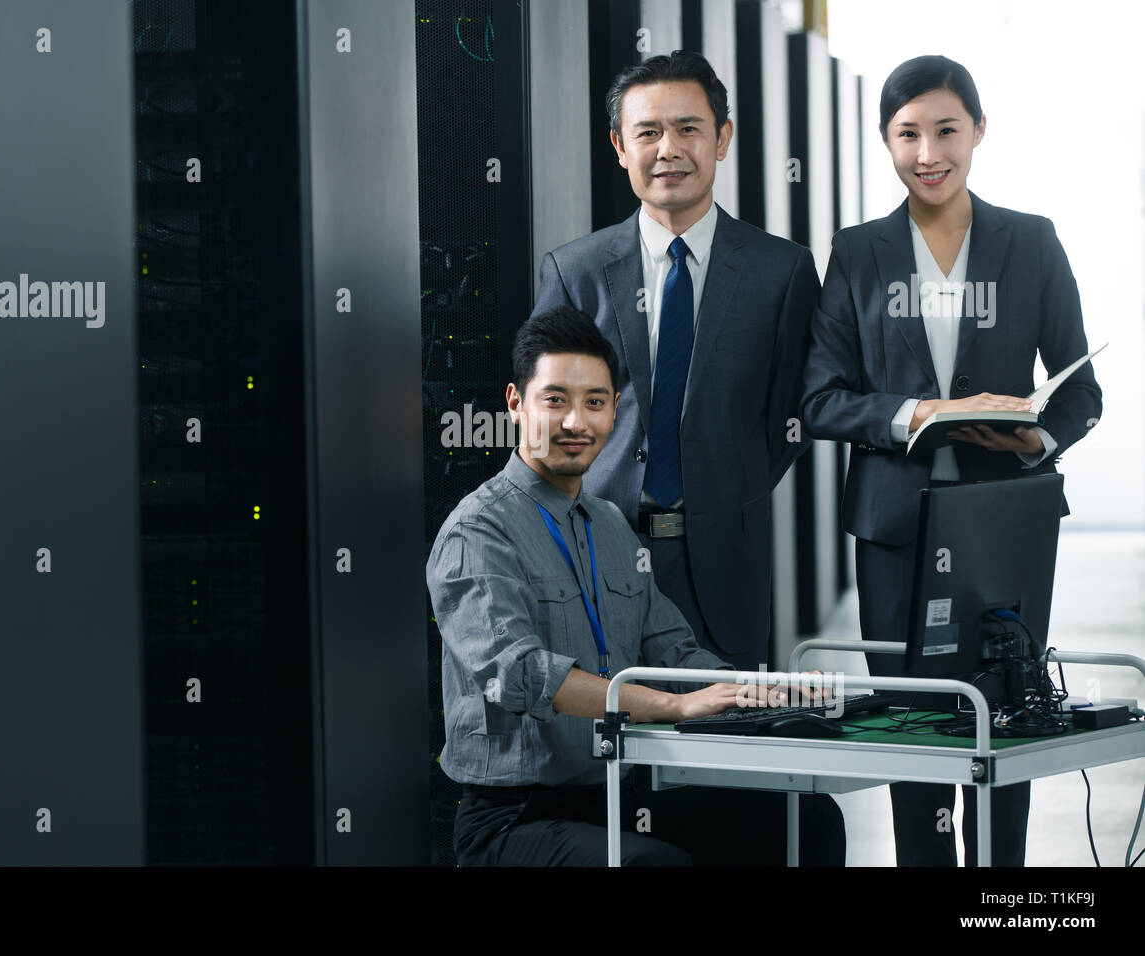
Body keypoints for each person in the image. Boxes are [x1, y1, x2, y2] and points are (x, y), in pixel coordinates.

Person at [800, 55, 1103, 866]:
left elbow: (1081, 391)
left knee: (1008, 718)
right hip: (894, 531)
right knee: (913, 725)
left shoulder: (1030, 242)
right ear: (885, 140)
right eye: (908, 135)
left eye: (946, 130)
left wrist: (1035, 438)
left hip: (1004, 525)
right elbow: (820, 399)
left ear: (979, 131)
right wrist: (914, 415)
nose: (928, 153)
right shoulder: (858, 252)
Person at [427, 306, 846, 866]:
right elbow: (519, 674)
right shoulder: (477, 530)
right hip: (515, 816)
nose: (576, 422)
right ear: (515, 403)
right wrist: (671, 706)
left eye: (595, 402)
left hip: (616, 796)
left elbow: (673, 651)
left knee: (804, 818)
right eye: (555, 400)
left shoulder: (610, 525)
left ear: (615, 409)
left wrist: (763, 690)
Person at [529, 50, 817, 672]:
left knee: (721, 726)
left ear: (722, 139)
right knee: (605, 725)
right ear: (619, 145)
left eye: (689, 128)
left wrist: (720, 485)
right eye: (648, 133)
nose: (669, 149)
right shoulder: (574, 271)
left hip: (723, 558)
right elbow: (545, 417)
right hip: (594, 551)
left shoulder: (782, 271)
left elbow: (791, 418)